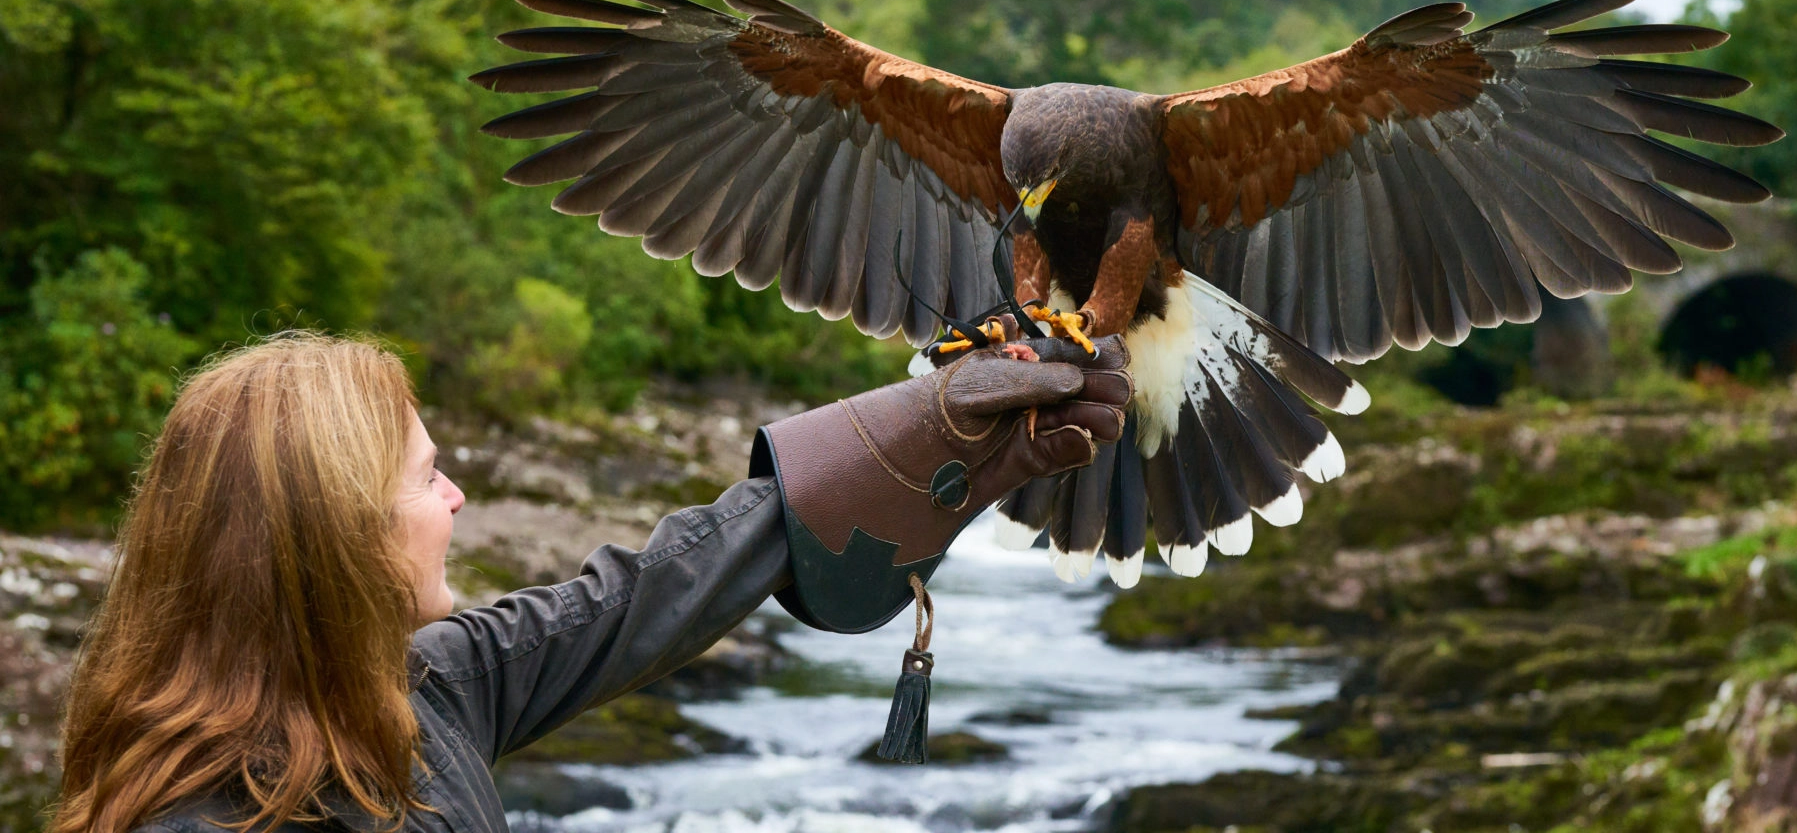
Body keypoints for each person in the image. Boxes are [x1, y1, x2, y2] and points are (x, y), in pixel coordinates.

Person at [50, 330, 1130, 833]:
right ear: (335, 534)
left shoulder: (422, 689)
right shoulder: (206, 821)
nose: (459, 497)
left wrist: (933, 440)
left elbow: (643, 599)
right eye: (428, 478)